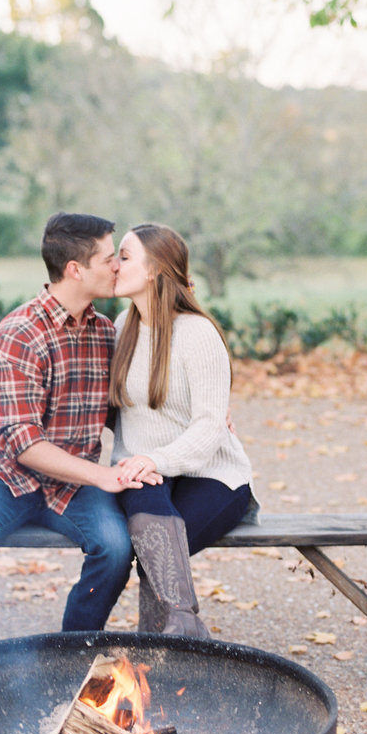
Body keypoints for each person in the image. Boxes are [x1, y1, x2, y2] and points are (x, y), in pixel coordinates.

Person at [0, 212, 151, 655]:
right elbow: (25, 445)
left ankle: (68, 659)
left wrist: (208, 416)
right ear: (75, 270)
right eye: (109, 258)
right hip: (7, 478)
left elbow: (129, 406)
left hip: (75, 487)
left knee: (114, 547)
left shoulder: (106, 333)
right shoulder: (19, 334)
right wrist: (102, 477)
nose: (117, 267)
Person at [109, 222, 259, 638]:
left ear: (155, 269)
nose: (114, 266)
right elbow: (104, 408)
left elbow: (210, 428)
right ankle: (183, 628)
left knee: (158, 556)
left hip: (212, 475)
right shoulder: (123, 328)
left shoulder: (197, 334)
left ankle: (163, 655)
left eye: (124, 256)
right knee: (150, 517)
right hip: (146, 474)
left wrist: (156, 458)